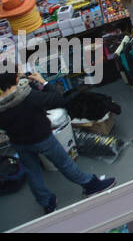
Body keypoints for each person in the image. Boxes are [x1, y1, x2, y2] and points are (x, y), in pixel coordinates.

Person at [0, 70, 116, 214]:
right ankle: (91, 184)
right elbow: (58, 100)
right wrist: (44, 82)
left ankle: (47, 202)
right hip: (42, 138)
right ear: (16, 78)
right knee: (64, 163)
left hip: (20, 143)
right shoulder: (28, 96)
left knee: (33, 172)